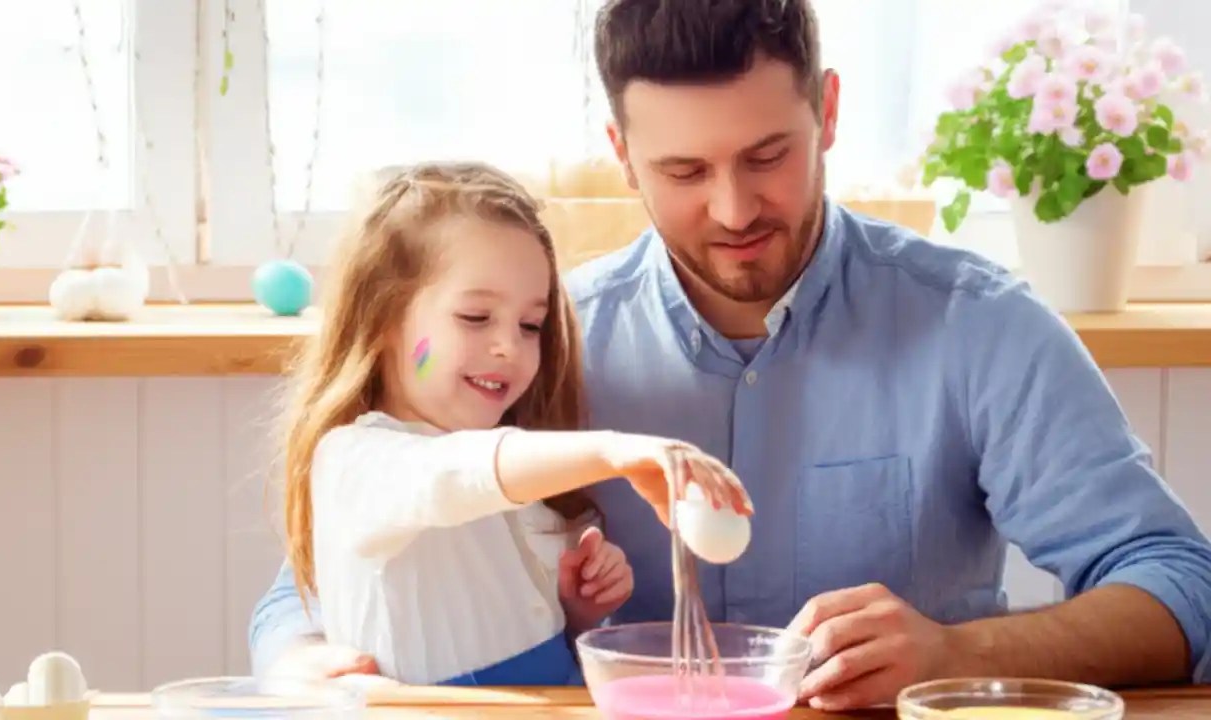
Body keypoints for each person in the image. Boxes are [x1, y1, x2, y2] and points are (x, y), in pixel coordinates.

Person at [250, 0, 1211, 708]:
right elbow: (321, 575)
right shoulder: (542, 346)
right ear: (622, 154)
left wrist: (953, 651)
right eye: (682, 170)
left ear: (827, 114)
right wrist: (296, 658)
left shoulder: (976, 326)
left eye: (766, 156)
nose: (733, 210)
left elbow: (1181, 587)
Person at [272, 161, 752, 687]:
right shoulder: (354, 460)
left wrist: (575, 609)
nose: (509, 346)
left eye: (530, 325)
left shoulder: (511, 480)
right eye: (475, 318)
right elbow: (453, 475)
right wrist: (615, 452)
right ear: (383, 320)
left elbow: (508, 628)